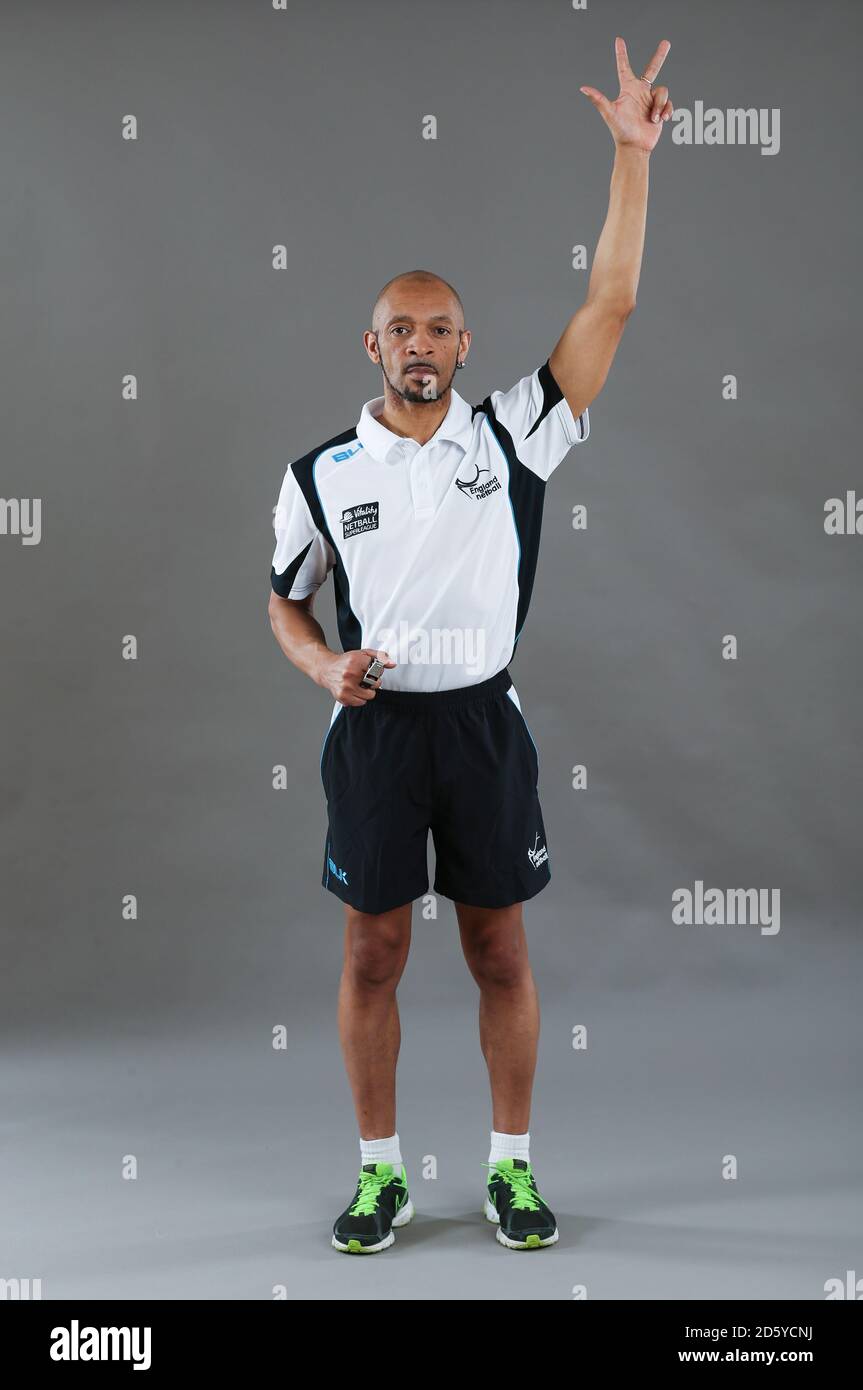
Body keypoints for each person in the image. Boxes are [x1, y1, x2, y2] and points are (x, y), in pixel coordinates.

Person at [267, 36, 672, 1253]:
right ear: (372, 348)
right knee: (374, 949)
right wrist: (319, 668)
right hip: (376, 729)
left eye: (440, 327)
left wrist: (629, 156)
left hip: (481, 722)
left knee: (498, 944)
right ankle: (380, 1174)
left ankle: (510, 1171)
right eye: (400, 328)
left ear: (464, 345)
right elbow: (283, 605)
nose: (421, 344)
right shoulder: (319, 475)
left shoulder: (512, 438)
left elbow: (610, 301)